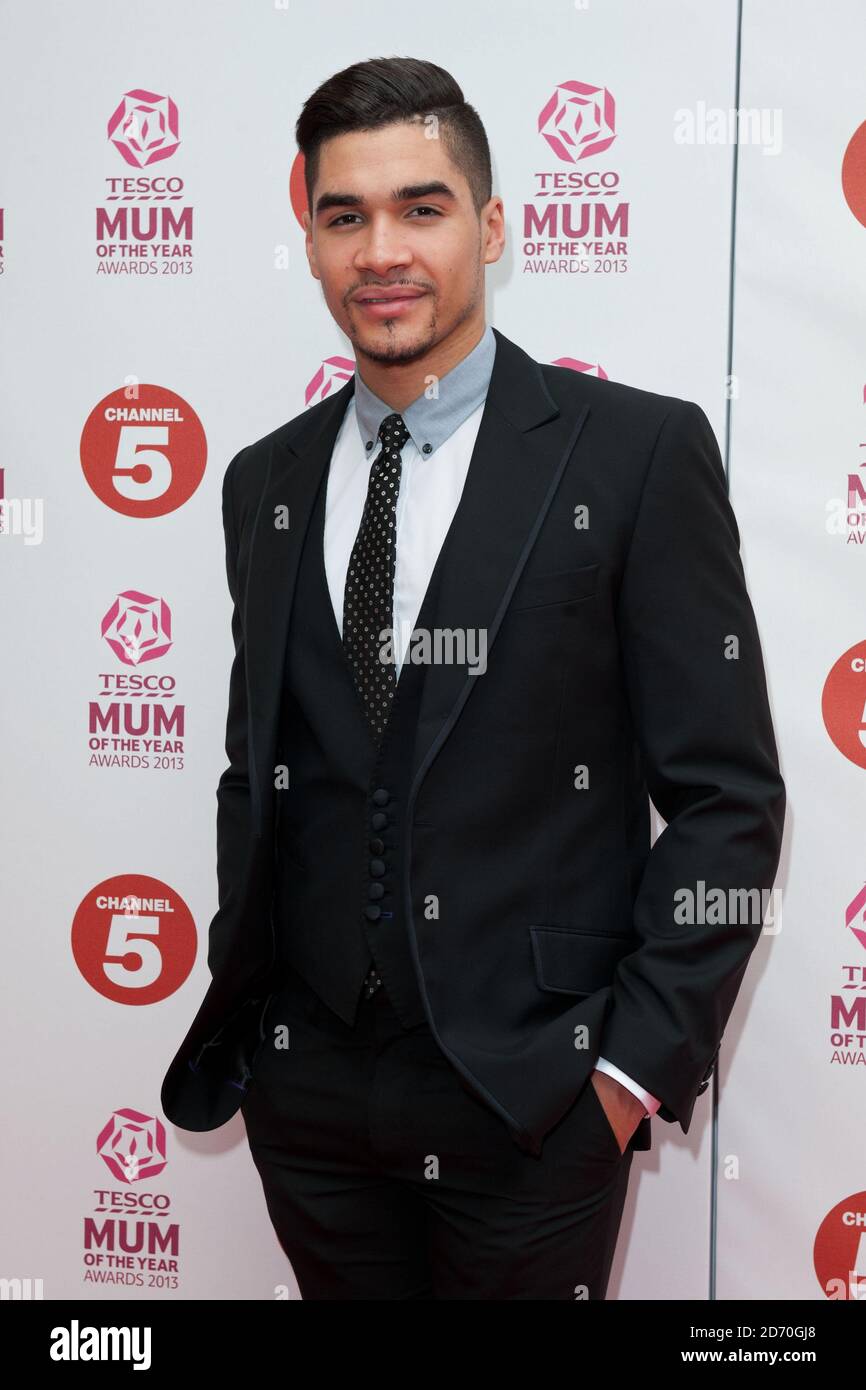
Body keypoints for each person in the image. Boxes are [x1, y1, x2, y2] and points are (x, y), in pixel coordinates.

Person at [160, 55, 786, 1300]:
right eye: (344, 215)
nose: (380, 249)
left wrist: (622, 1077)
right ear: (312, 240)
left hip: (534, 1099)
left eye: (421, 207)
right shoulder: (263, 483)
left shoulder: (635, 454)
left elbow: (724, 800)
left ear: (491, 226)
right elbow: (261, 764)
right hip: (314, 1100)